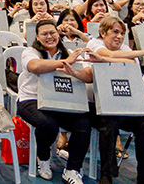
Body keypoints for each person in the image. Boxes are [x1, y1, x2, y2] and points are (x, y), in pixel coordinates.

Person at [16, 20, 94, 184]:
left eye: (52, 33)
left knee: (83, 125)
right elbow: (35, 67)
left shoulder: (69, 52)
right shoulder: (30, 52)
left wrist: (75, 71)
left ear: (58, 34)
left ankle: (72, 169)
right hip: (31, 99)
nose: (49, 36)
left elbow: (88, 74)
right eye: (44, 34)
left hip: (62, 100)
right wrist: (65, 63)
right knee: (47, 124)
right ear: (37, 37)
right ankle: (43, 159)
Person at [85, 17, 144, 184]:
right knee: (108, 125)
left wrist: (103, 61)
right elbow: (109, 54)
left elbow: (131, 63)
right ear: (103, 33)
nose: (119, 36)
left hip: (124, 104)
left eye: (123, 33)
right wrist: (141, 52)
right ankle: (106, 175)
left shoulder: (125, 49)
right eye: (115, 32)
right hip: (96, 106)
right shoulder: (94, 44)